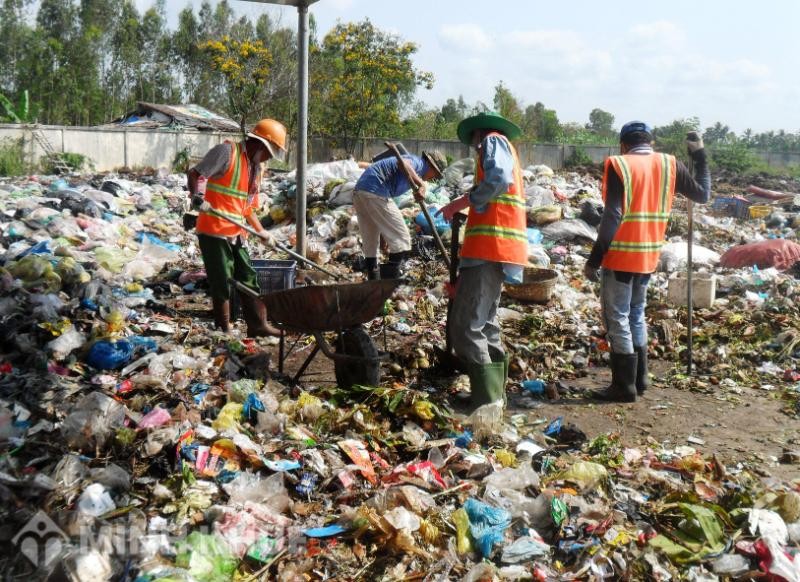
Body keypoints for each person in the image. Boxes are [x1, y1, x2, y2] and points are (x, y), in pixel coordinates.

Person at [584, 121, 710, 402]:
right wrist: (700, 156)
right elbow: (703, 193)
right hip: (649, 255)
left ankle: (623, 387)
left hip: (620, 255)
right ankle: (640, 380)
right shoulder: (670, 164)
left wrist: (595, 258)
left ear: (623, 145)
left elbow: (613, 215)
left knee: (616, 317)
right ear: (651, 143)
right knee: (636, 314)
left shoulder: (619, 164)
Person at [438, 111, 528, 412]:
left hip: (492, 248)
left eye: (473, 142)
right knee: (486, 324)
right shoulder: (504, 146)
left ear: (478, 134)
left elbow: (498, 178)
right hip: (498, 250)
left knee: (466, 328)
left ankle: (487, 403)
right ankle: (494, 398)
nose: (475, 148)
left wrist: (461, 202)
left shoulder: (493, 140)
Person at [186, 118, 287, 336]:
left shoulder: (256, 169)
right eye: (270, 152)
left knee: (247, 275)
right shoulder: (226, 152)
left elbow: (248, 208)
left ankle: (257, 325)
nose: (270, 158)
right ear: (261, 145)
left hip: (237, 232)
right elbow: (194, 173)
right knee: (221, 279)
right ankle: (223, 328)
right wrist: (197, 198)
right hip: (214, 230)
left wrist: (262, 232)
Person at [353, 150, 447, 279]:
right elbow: (402, 163)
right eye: (435, 174)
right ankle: (391, 281)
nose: (433, 178)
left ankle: (373, 281)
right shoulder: (419, 163)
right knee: (402, 238)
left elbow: (380, 217)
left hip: (361, 192)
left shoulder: (416, 167)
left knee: (371, 242)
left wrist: (383, 236)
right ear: (430, 165)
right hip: (375, 191)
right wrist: (422, 185)